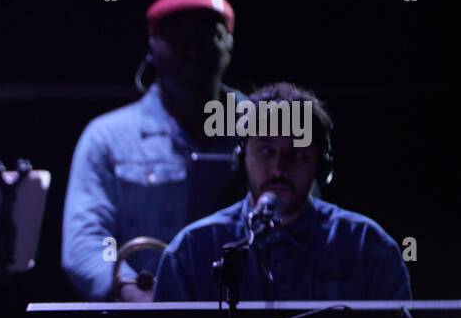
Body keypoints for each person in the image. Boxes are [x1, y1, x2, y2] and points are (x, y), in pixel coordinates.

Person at [63, 0, 245, 301]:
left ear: (228, 44)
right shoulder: (107, 136)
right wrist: (132, 289)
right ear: (152, 47)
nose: (192, 49)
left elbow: (305, 220)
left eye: (206, 35)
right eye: (177, 38)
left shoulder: (266, 130)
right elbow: (90, 241)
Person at [153, 82, 411, 301]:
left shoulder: (368, 247)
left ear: (322, 166)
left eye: (298, 154)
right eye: (266, 151)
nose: (279, 168)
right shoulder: (190, 251)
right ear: (241, 159)